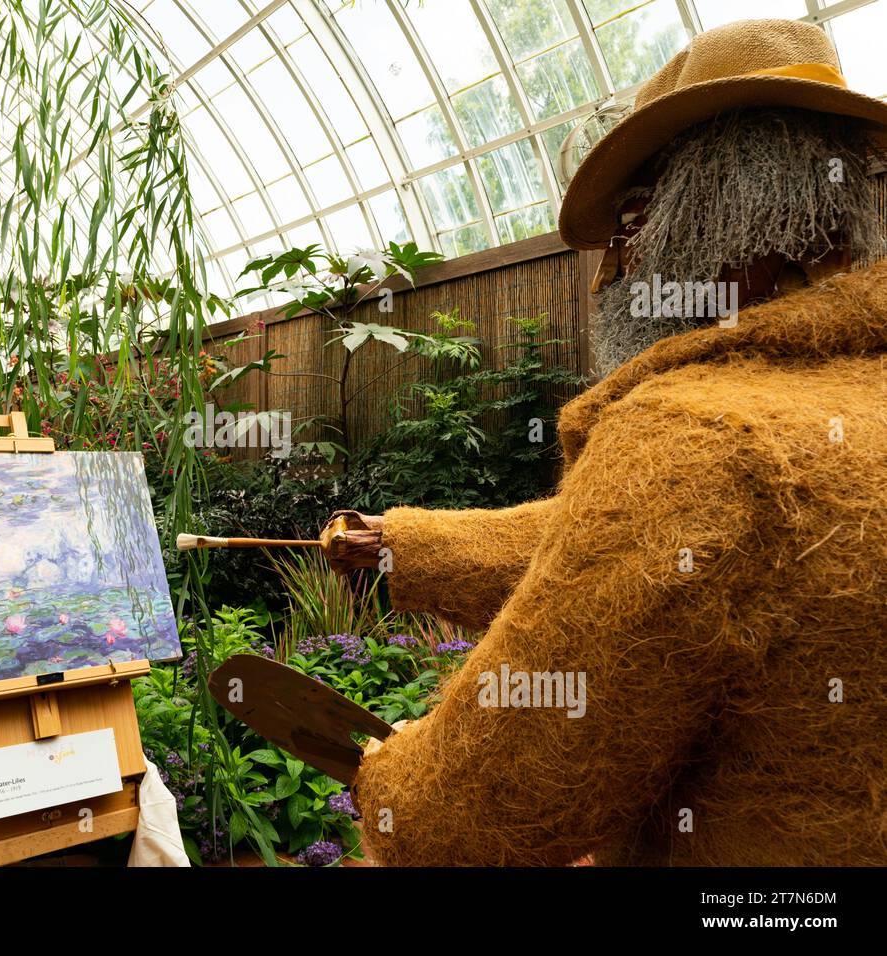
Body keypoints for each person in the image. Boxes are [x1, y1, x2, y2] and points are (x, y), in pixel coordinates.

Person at [332, 19, 887, 866]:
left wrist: (391, 778)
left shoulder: (694, 439)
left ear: (726, 210)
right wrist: (407, 546)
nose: (610, 271)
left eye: (633, 217)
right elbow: (629, 544)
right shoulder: (828, 408)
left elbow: (492, 804)